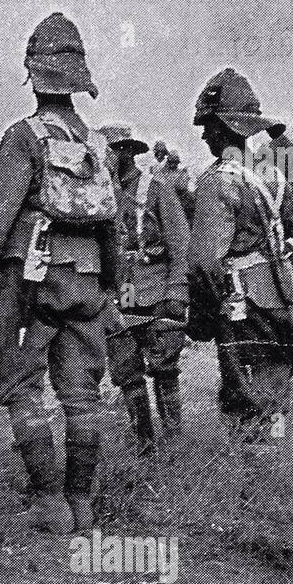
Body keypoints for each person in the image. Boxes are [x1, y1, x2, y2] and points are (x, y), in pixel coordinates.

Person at [0, 13, 121, 534]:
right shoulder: (99, 145)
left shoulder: (23, 138)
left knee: (18, 384)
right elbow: (113, 224)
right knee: (81, 393)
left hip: (32, 282)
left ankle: (49, 501)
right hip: (87, 280)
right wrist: (108, 288)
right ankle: (82, 504)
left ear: (33, 74)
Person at [188, 68, 293, 445]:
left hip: (240, 306)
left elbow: (203, 264)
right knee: (273, 398)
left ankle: (255, 491)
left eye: (210, 125)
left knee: (243, 401)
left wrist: (204, 318)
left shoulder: (217, 181)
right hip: (280, 300)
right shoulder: (273, 175)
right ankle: (274, 473)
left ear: (227, 128)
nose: (204, 133)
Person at [101, 126, 190, 444]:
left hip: (156, 293)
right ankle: (145, 442)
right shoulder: (101, 194)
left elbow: (180, 245)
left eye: (109, 151)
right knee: (126, 371)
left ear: (125, 152)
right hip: (120, 296)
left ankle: (174, 441)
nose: (104, 157)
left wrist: (176, 293)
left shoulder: (157, 188)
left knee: (164, 367)